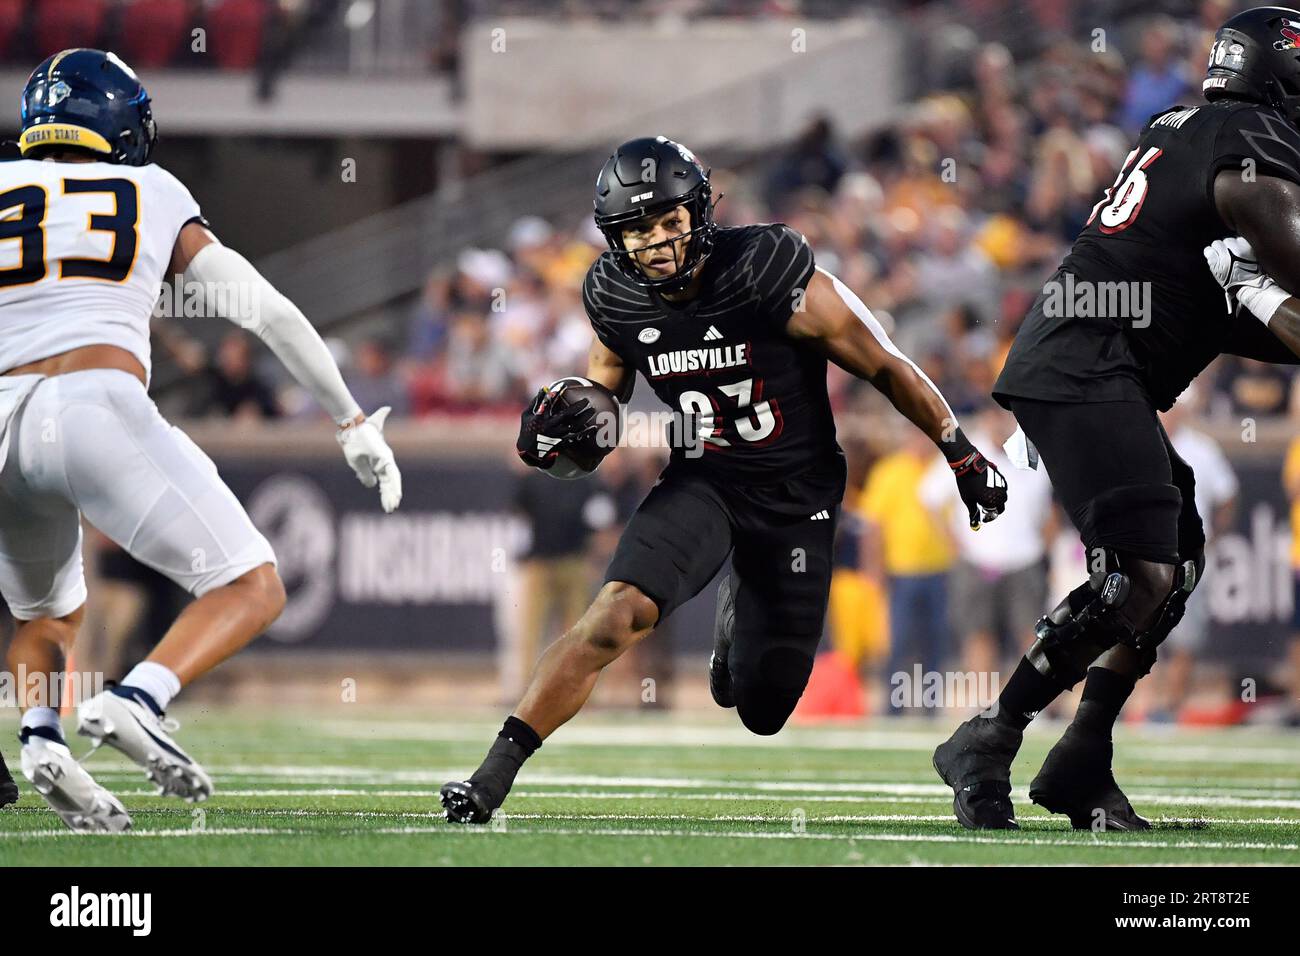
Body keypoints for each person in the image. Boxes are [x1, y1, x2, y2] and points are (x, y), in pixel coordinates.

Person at [440, 135, 1007, 824]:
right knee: (613, 616)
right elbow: (605, 394)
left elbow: (883, 362)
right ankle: (490, 778)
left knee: (763, 707)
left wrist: (959, 450)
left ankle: (740, 607)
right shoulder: (614, 294)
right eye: (637, 229)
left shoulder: (765, 269)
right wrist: (571, 420)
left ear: (699, 213)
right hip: (705, 480)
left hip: (799, 499)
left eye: (668, 221)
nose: (655, 241)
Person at [0, 49, 402, 831]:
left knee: (45, 617)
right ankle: (137, 699)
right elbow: (266, 312)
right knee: (251, 585)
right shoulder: (151, 189)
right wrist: (351, 420)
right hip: (93, 403)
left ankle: (42, 737)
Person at [934, 7, 1300, 831]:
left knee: (1176, 568)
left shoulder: (1197, 133)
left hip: (1100, 363)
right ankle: (989, 737)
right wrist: (1264, 287)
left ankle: (1082, 758)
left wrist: (1255, 292)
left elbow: (1259, 318)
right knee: (1137, 575)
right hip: (1083, 364)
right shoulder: (1248, 150)